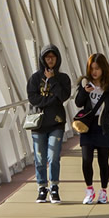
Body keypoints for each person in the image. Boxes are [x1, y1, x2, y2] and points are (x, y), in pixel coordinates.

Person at [74, 52, 109, 203]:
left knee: (103, 162)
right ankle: (89, 190)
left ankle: (103, 191)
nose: (94, 72)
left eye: (97, 68)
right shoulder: (85, 84)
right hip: (88, 127)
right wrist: (84, 92)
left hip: (103, 127)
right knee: (86, 160)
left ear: (103, 69)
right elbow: (78, 102)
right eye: (92, 68)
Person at [26, 44, 70, 203]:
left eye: (53, 57)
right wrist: (51, 101)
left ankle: (54, 187)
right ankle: (42, 187)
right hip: (38, 125)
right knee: (39, 157)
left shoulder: (63, 78)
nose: (50, 60)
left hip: (56, 123)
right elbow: (32, 97)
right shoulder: (35, 78)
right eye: (47, 57)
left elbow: (64, 96)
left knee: (53, 157)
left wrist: (52, 81)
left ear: (57, 59)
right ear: (43, 59)